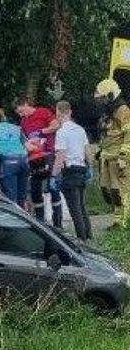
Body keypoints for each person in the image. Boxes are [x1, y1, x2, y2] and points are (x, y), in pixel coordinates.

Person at [15, 96, 62, 227]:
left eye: (21, 111)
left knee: (53, 188)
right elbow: (23, 138)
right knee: (35, 190)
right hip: (33, 158)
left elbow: (56, 125)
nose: (21, 114)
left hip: (48, 154)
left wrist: (40, 132)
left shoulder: (43, 112)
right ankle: (42, 223)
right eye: (19, 113)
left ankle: (58, 223)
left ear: (26, 104)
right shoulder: (23, 121)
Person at [50, 101, 92, 241]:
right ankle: (89, 234)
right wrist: (90, 167)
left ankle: (82, 239)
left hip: (70, 172)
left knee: (74, 209)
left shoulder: (61, 132)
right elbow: (87, 152)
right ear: (70, 111)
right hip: (81, 169)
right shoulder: (80, 129)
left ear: (58, 113)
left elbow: (60, 156)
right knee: (81, 205)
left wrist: (54, 176)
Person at [94, 79, 130, 229]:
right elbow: (107, 135)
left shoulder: (123, 110)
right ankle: (117, 220)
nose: (101, 101)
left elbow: (128, 133)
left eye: (102, 98)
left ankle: (123, 222)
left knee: (120, 190)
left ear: (110, 95)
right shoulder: (108, 111)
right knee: (108, 190)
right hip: (107, 156)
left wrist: (123, 156)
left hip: (118, 158)